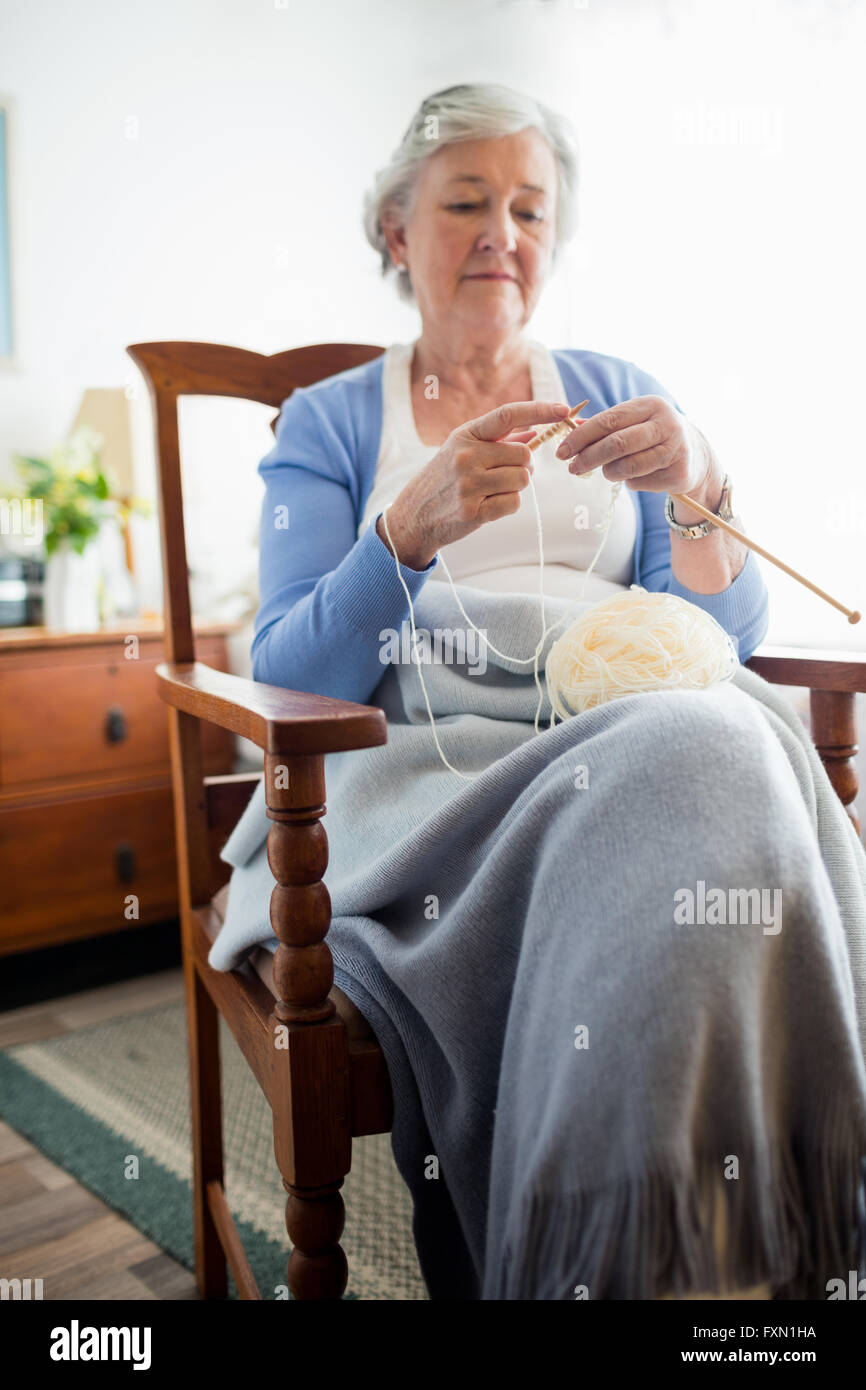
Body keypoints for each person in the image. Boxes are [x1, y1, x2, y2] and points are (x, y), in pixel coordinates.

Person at [210, 84, 866, 1301]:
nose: (500, 230)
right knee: (705, 756)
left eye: (527, 207)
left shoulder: (614, 384)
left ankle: (691, 1259)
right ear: (396, 230)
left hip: (633, 737)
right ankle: (652, 1261)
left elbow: (714, 639)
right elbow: (288, 679)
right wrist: (399, 537)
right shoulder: (331, 420)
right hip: (423, 775)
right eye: (465, 201)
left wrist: (700, 488)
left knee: (713, 748)